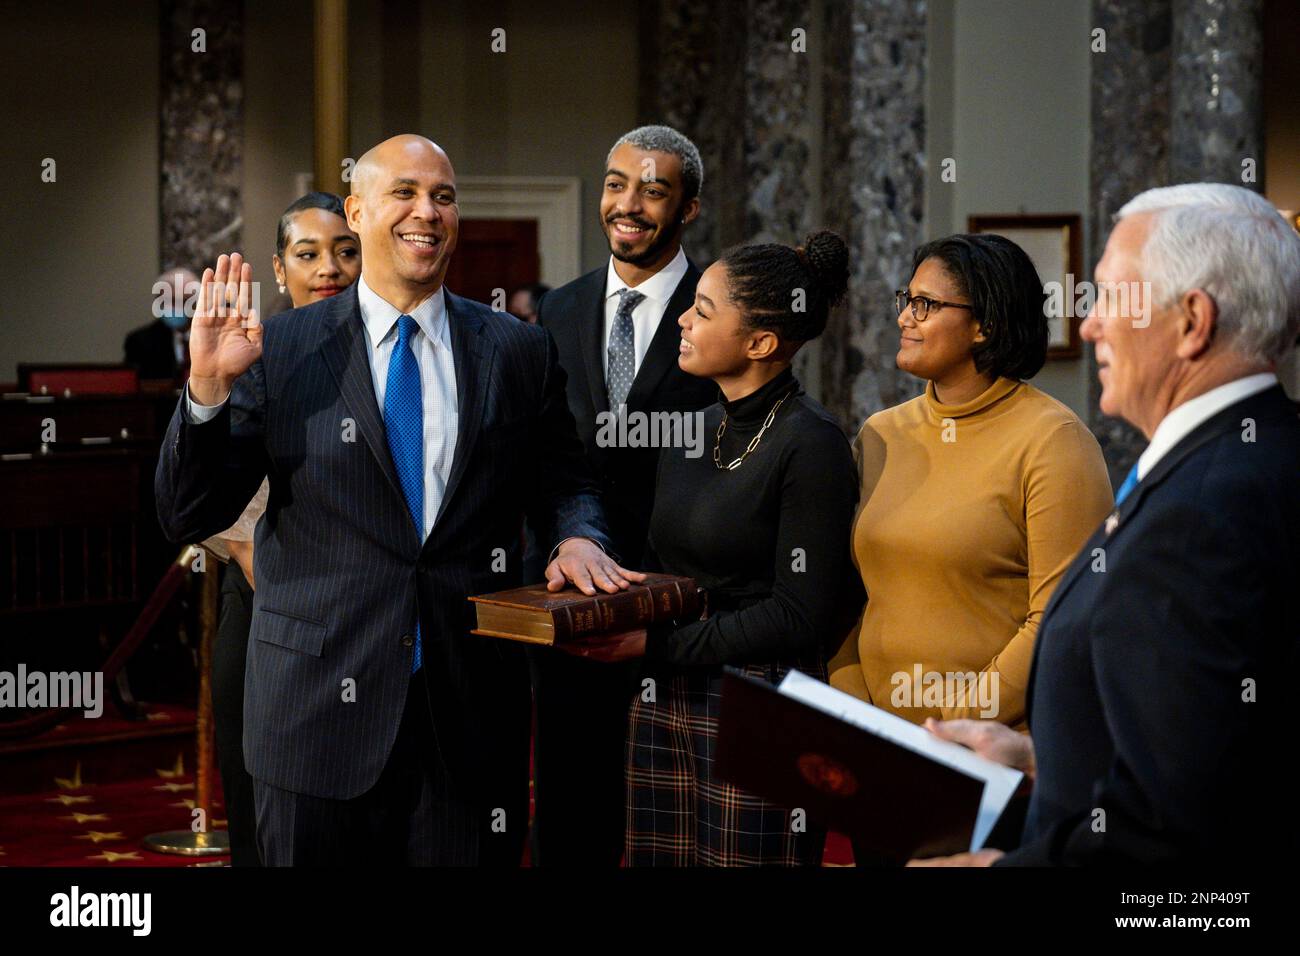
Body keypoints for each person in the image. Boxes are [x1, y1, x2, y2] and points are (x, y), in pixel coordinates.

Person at [155, 134, 639, 866]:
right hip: (314, 717)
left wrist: (579, 536)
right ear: (357, 210)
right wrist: (207, 394)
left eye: (443, 196)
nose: (428, 212)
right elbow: (185, 512)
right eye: (405, 193)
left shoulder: (516, 348)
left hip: (467, 719)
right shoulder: (281, 349)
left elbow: (566, 480)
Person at [911, 183, 1300, 866]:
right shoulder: (1258, 451)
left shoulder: (1199, 516)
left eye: (1112, 299)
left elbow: (1169, 834)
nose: (1088, 326)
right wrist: (1039, 758)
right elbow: (1217, 745)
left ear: (1192, 322)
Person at [594, 230, 862, 866]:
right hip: (667, 690)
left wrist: (657, 645)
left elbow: (800, 616)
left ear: (761, 343)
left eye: (703, 309)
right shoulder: (692, 429)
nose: (682, 318)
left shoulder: (812, 442)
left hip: (763, 699)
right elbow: (671, 568)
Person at [829, 234, 1111, 737]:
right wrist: (857, 711)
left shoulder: (1055, 441)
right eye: (906, 300)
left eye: (926, 305)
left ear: (987, 325)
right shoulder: (879, 434)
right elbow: (846, 594)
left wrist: (948, 728)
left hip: (993, 747)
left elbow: (1059, 618)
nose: (904, 318)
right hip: (875, 742)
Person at [530, 125, 716, 866]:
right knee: (571, 818)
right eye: (615, 184)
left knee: (668, 829)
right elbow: (544, 454)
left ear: (689, 208)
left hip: (678, 615)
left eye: (652, 189)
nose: (627, 204)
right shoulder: (560, 310)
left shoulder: (724, 310)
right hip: (571, 607)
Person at [205, 191, 361, 866]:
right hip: (267, 605)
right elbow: (210, 498)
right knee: (260, 812)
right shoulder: (253, 356)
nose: (328, 267)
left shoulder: (389, 351)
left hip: (369, 618)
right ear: (279, 268)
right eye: (308, 253)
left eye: (345, 250)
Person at [125, 268, 199, 381]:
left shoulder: (215, 338)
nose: (174, 306)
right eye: (167, 301)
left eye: (181, 300)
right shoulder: (140, 341)